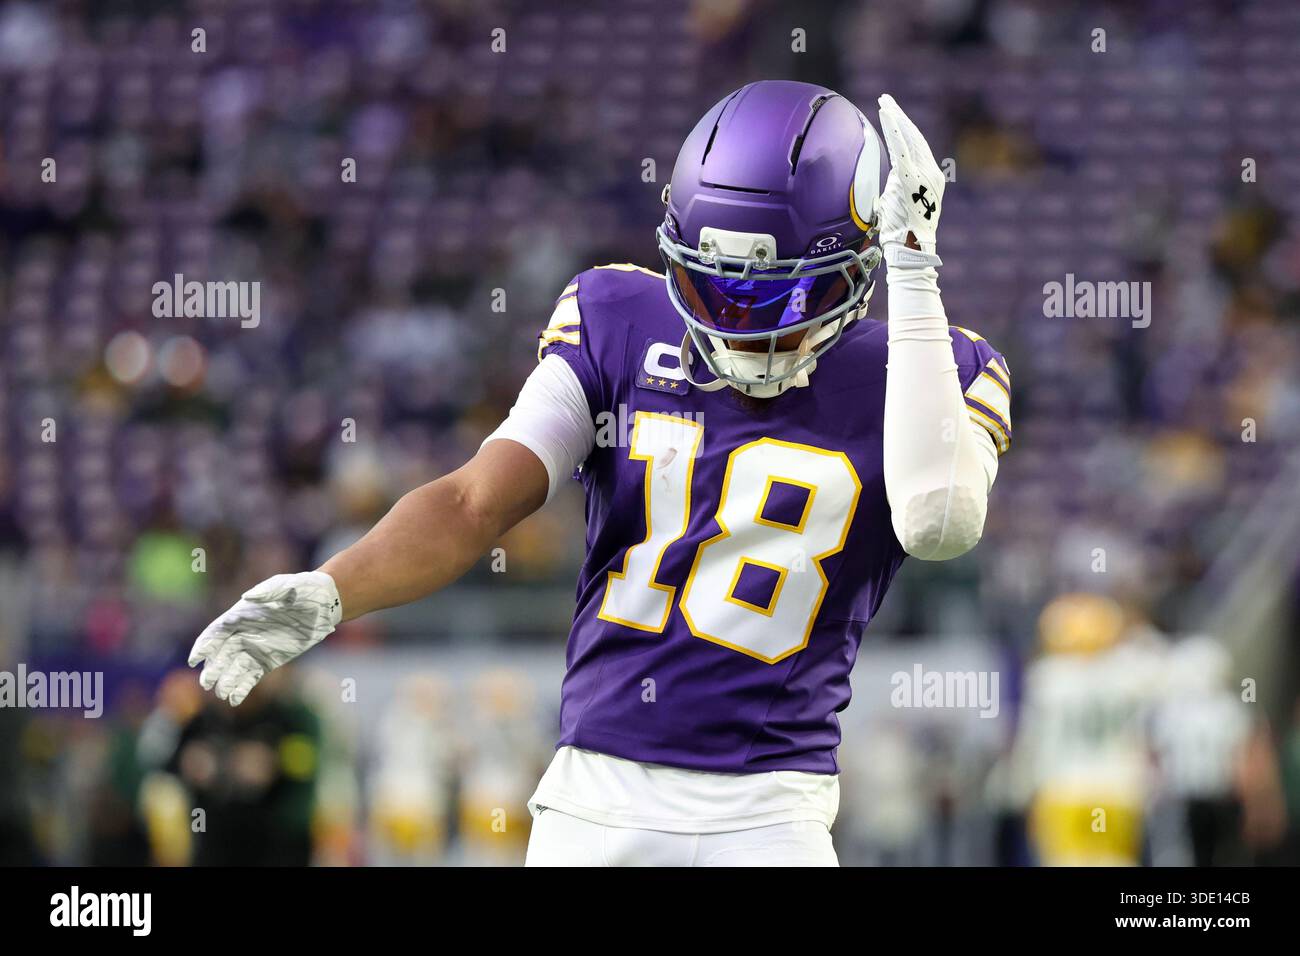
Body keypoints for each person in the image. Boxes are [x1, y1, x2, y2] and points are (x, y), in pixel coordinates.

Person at [189, 81, 1012, 866]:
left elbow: (938, 523)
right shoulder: (617, 316)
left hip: (773, 811)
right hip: (595, 803)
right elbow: (476, 499)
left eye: (782, 299)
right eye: (714, 287)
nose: (741, 327)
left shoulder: (928, 366)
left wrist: (914, 269)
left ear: (863, 262)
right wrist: (338, 589)